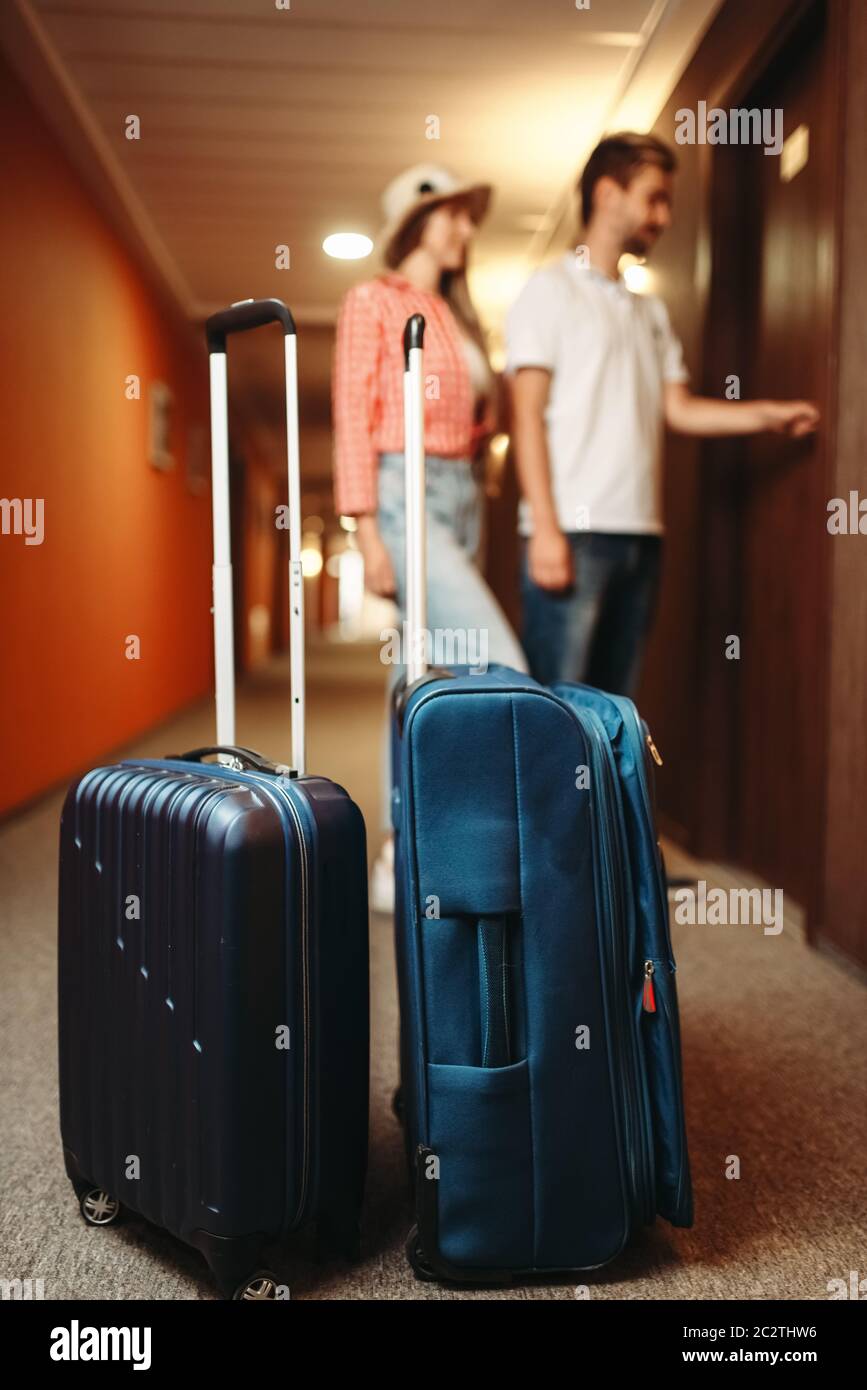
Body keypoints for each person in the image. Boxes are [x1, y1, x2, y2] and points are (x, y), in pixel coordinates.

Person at [506, 132, 819, 695]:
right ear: (607, 194)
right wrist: (546, 529)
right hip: (573, 534)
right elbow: (525, 415)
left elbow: (678, 408)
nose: (664, 215)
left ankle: (602, 792)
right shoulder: (547, 292)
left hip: (641, 535)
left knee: (615, 709)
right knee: (557, 710)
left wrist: (768, 415)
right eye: (654, 198)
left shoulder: (648, 309)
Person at [333, 163, 527, 911]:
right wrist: (363, 530)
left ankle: (400, 851)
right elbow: (353, 412)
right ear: (413, 223)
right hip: (399, 487)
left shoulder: (456, 314)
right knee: (496, 659)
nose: (466, 231)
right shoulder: (372, 302)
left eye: (467, 218)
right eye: (451, 216)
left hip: (460, 495)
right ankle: (493, 846)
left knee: (420, 672)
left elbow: (479, 422)